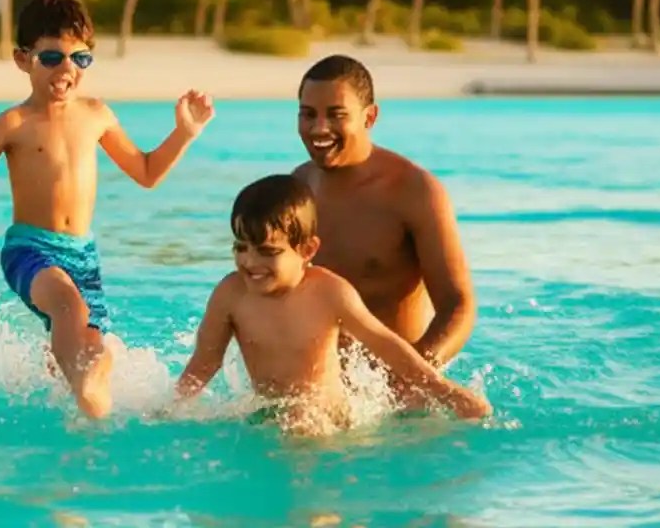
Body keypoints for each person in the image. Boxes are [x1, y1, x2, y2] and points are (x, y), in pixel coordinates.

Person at [0, 0, 215, 419]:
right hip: (30, 249)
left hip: (83, 255)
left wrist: (185, 133)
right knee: (69, 307)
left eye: (80, 59)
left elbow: (146, 172)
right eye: (51, 57)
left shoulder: (97, 115)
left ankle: (87, 415)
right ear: (22, 59)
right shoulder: (12, 125)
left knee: (93, 349)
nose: (67, 69)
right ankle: (83, 384)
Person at [174, 175, 491, 436]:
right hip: (272, 414)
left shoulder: (329, 293)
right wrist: (174, 407)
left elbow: (386, 346)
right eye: (241, 248)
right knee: (286, 419)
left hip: (335, 418)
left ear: (308, 249)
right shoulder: (231, 294)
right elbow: (204, 363)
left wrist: (446, 391)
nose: (250, 262)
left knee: (302, 416)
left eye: (268, 252)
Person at [292, 55, 476, 376]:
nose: (319, 128)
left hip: (393, 399)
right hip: (317, 390)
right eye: (308, 115)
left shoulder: (415, 191)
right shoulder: (297, 188)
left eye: (336, 115)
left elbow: (457, 305)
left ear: (369, 117)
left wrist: (413, 376)